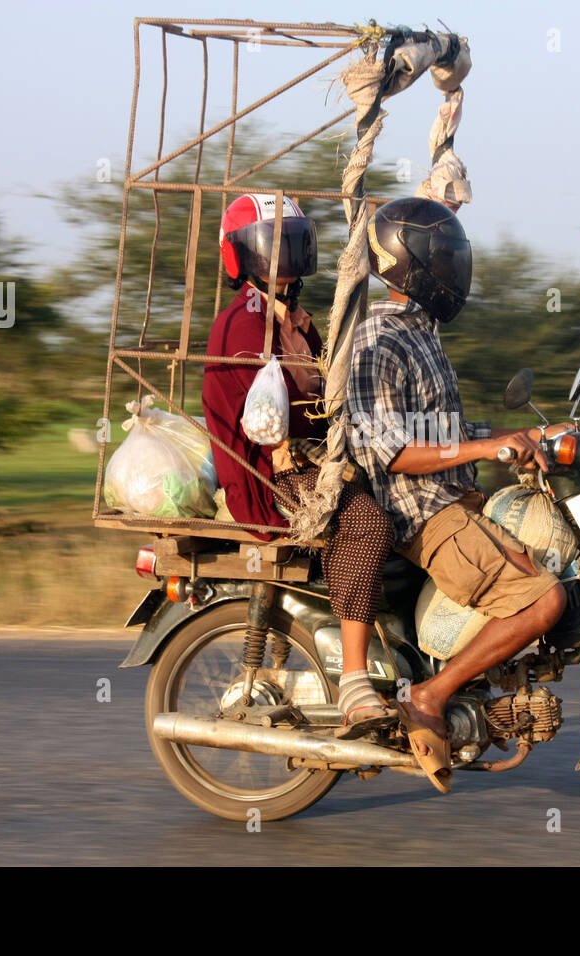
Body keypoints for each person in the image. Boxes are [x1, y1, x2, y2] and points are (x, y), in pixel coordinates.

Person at [347, 197, 570, 792]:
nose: (454, 269)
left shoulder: (423, 334)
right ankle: (428, 696)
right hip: (420, 514)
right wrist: (482, 450)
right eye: (444, 257)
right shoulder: (379, 338)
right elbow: (391, 449)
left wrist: (524, 437)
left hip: (454, 503)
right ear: (409, 262)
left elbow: (442, 434)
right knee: (543, 602)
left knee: (557, 569)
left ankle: (478, 687)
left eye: (455, 257)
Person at [203, 193, 395, 728]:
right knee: (366, 524)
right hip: (267, 477)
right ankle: (355, 680)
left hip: (304, 461)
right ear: (243, 256)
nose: (284, 258)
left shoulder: (297, 322)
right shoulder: (243, 322)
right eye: (273, 245)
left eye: (291, 244)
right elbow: (268, 423)